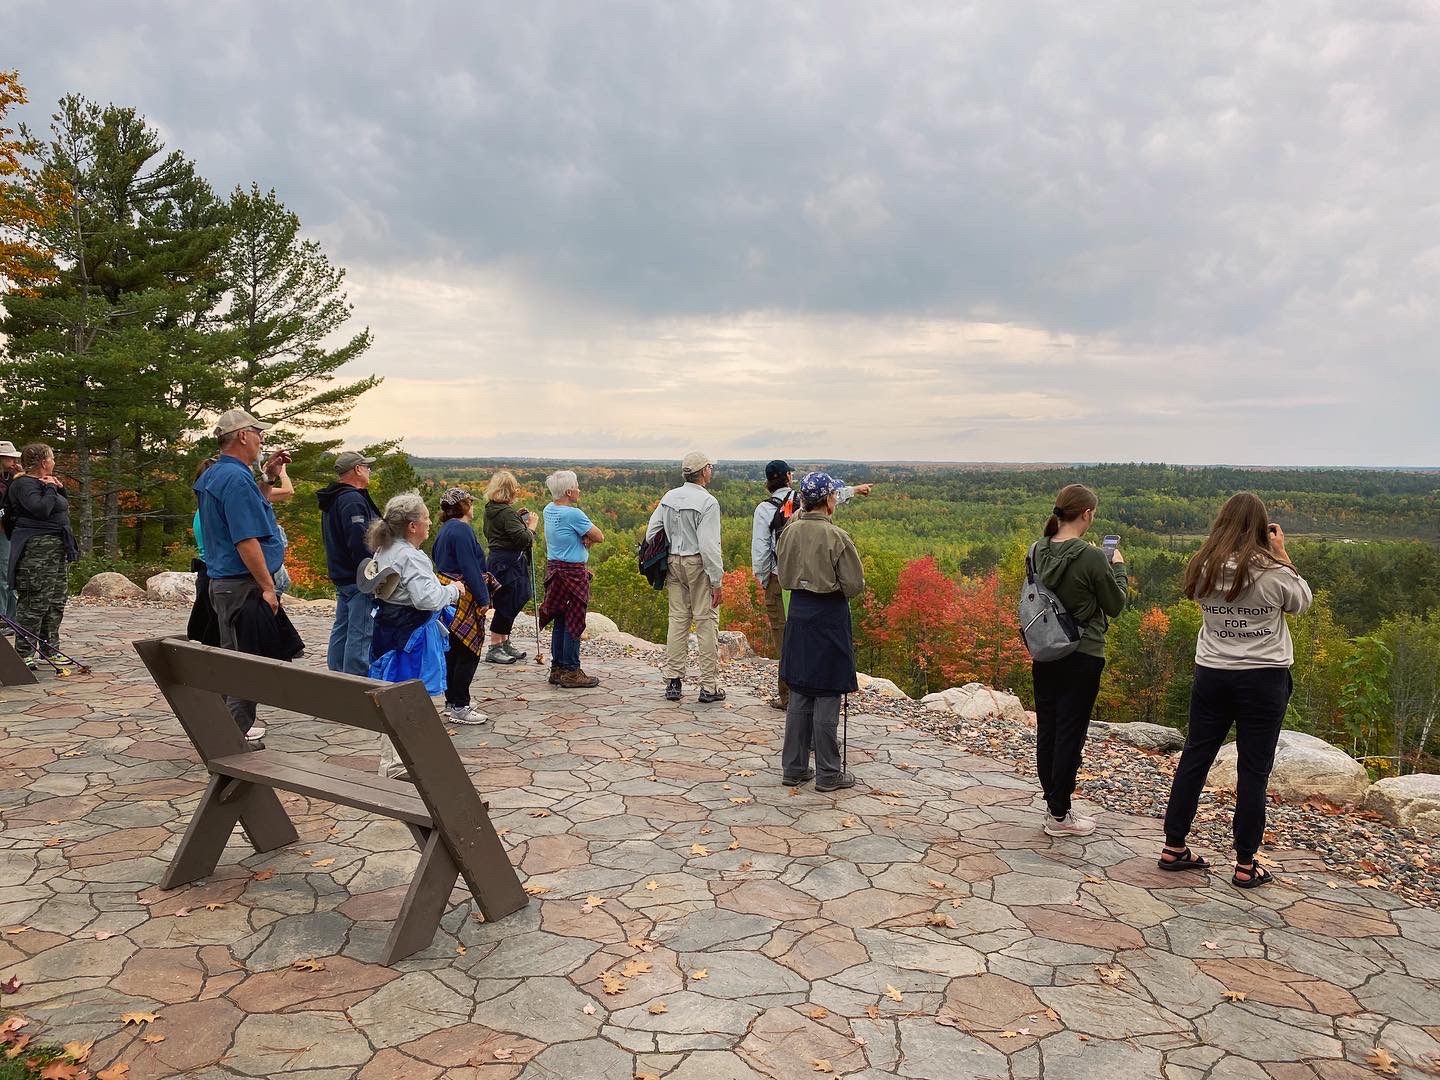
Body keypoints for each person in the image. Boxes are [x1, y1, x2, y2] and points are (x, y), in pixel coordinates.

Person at [1158, 493, 1312, 890]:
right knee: (1253, 770)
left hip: (1212, 672)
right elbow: (1302, 603)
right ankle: (1245, 862)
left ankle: (1174, 845)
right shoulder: (1272, 571)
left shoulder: (1202, 566)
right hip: (1263, 677)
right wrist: (1282, 554)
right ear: (1261, 528)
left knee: (1195, 756)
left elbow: (1198, 597)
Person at [1029, 483, 1128, 837]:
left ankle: (1053, 806)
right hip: (1083, 652)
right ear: (1086, 514)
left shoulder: (1037, 549)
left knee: (1049, 729)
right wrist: (1118, 568)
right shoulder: (1092, 557)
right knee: (1071, 733)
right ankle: (1059, 814)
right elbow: (1115, 605)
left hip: (1045, 650)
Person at [194, 409, 290, 743]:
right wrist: (267, 587)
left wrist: (269, 478)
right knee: (246, 667)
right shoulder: (235, 478)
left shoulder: (217, 474)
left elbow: (248, 508)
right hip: (241, 586)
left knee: (232, 660)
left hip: (224, 583)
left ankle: (221, 733)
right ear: (243, 436)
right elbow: (245, 539)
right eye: (258, 433)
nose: (262, 439)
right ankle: (230, 741)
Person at [751, 459, 872, 710]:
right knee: (816, 641)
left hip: (781, 579)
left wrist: (765, 579)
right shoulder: (805, 500)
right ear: (788, 477)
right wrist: (856, 490)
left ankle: (790, 697)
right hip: (819, 587)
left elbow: (761, 549)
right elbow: (833, 495)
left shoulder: (765, 509)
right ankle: (817, 694)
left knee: (785, 638)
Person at [364, 492, 465, 781]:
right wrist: (453, 591)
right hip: (412, 639)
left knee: (393, 693)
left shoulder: (384, 549)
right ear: (412, 526)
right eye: (425, 518)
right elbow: (427, 599)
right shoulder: (410, 557)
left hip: (387, 633)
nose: (430, 522)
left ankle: (396, 761)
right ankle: (402, 765)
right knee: (411, 698)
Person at [776, 471, 866, 792]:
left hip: (797, 614)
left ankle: (794, 767)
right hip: (828, 616)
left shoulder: (788, 532)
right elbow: (854, 585)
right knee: (828, 691)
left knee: (800, 689)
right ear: (828, 500)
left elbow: (780, 571)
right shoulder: (836, 537)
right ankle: (829, 772)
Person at [647, 451, 725, 703]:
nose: (711, 471)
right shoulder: (708, 502)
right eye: (710, 467)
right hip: (698, 564)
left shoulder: (669, 497)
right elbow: (709, 546)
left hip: (673, 562)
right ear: (703, 472)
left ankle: (673, 681)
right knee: (706, 622)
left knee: (678, 621)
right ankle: (709, 686)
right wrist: (717, 581)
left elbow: (652, 533)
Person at [3, 443, 78, 666]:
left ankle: (50, 648)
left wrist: (58, 488)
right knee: (35, 600)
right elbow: (41, 509)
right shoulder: (24, 484)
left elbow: (61, 505)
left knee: (55, 600)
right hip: (36, 549)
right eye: (52, 458)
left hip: (56, 546)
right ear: (44, 462)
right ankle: (24, 654)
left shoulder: (44, 482)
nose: (54, 462)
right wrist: (51, 488)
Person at [537, 469, 603, 688]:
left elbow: (568, 535)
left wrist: (583, 537)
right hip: (573, 572)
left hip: (554, 570)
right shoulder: (574, 514)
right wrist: (587, 537)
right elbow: (599, 536)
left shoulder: (548, 510)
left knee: (560, 618)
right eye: (576, 486)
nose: (579, 490)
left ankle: (557, 668)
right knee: (574, 620)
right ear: (568, 491)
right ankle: (572, 671)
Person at [317, 450, 381, 675]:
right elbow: (358, 540)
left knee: (342, 628)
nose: (369, 471)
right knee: (360, 633)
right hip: (358, 579)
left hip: (342, 575)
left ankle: (336, 675)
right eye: (367, 467)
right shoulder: (352, 499)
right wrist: (371, 575)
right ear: (357, 469)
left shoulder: (335, 497)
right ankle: (356, 682)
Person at [432, 487, 492, 725]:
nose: (473, 506)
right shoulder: (462, 529)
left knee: (453, 649)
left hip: (447, 592)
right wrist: (483, 598)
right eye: (470, 502)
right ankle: (460, 705)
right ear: (464, 506)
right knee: (469, 650)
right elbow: (470, 566)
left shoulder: (445, 529)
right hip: (463, 594)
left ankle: (452, 701)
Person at [482, 469, 536, 664]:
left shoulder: (491, 510)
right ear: (509, 490)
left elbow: (502, 531)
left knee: (512, 598)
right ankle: (495, 646)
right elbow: (524, 540)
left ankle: (504, 641)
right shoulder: (505, 513)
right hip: (509, 563)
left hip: (499, 560)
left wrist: (517, 519)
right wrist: (531, 526)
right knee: (509, 601)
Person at [0, 440, 22, 627]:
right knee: (4, 572)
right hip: (3, 529)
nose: (14, 462)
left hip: (9, 530)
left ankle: (9, 617)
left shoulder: (13, 478)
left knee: (7, 572)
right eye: (9, 458)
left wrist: (20, 477)